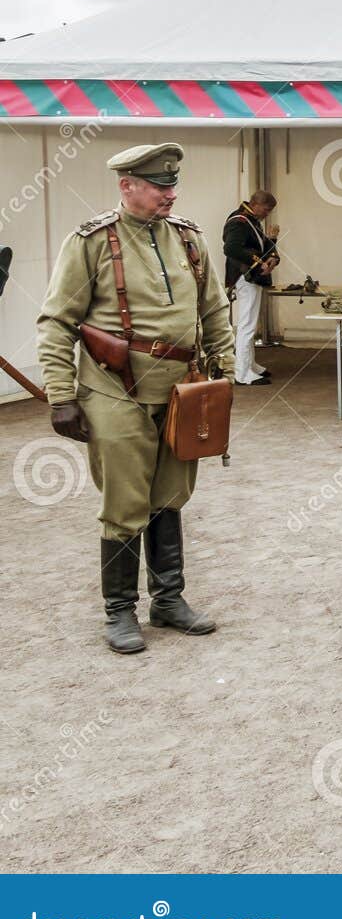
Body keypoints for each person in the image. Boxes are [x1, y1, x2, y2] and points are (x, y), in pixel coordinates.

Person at [36, 142, 235, 654]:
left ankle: (168, 600)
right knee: (126, 503)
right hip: (113, 390)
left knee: (170, 495)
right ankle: (119, 611)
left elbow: (214, 310)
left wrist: (225, 374)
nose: (170, 193)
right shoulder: (92, 241)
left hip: (181, 389)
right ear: (126, 186)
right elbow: (57, 321)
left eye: (172, 185)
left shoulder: (189, 240)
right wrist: (62, 395)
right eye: (159, 185)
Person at [223, 190, 280, 386]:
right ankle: (242, 374)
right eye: (267, 209)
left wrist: (272, 254)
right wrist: (258, 263)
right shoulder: (239, 221)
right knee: (247, 324)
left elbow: (261, 248)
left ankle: (250, 365)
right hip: (244, 277)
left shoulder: (251, 220)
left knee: (250, 323)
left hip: (253, 278)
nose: (268, 214)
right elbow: (231, 249)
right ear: (255, 204)